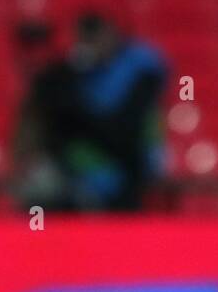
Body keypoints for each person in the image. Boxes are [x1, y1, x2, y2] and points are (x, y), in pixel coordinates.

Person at [13, 12, 166, 212]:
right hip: (79, 167)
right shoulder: (70, 76)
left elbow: (123, 131)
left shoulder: (138, 72)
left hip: (123, 167)